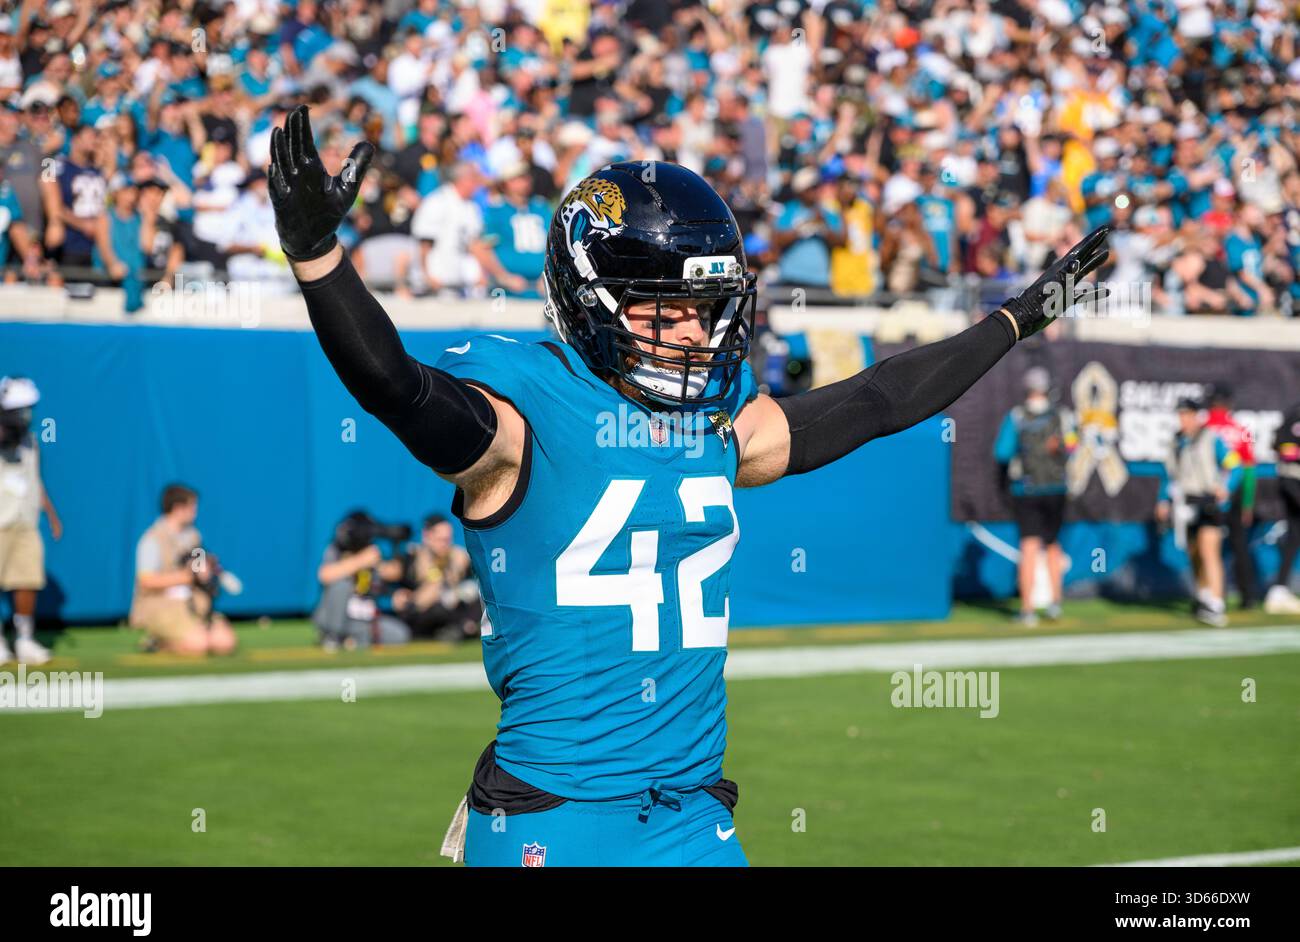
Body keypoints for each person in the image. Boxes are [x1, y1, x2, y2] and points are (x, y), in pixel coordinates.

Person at [268, 106, 1109, 866]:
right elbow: (399, 390)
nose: (690, 332)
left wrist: (1014, 319)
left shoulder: (714, 424)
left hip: (694, 817)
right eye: (657, 308)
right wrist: (317, 256)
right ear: (587, 301)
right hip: (556, 821)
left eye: (701, 308)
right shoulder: (530, 410)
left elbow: (878, 400)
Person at [994, 367, 1076, 625]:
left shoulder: (1017, 416)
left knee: (1029, 546)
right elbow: (1073, 447)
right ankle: (1055, 604)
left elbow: (1003, 453)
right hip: (1055, 488)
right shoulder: (1061, 415)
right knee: (1052, 544)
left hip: (1026, 489)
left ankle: (1028, 609)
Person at [1156, 398, 1242, 628]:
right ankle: (1203, 595)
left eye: (1187, 415)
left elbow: (1235, 465)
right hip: (1186, 501)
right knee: (1194, 551)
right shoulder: (1176, 442)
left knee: (1208, 549)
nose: (1183, 420)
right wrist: (1163, 500)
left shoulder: (1211, 438)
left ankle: (1216, 602)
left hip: (1208, 501)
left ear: (1196, 415)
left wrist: (1226, 488)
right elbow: (1169, 475)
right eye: (1180, 415)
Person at [130, 484, 238, 656]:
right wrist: (185, 577)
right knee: (198, 645)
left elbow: (198, 570)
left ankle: (186, 636)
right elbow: (146, 582)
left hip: (193, 603)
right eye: (191, 506)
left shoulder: (193, 536)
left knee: (225, 643)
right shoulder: (152, 539)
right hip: (161, 605)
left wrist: (207, 570)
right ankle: (159, 641)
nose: (195, 511)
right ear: (178, 508)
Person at [0, 377, 60, 665]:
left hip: (25, 521)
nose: (27, 415)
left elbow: (33, 479)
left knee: (27, 580)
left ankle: (24, 638)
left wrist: (50, 512)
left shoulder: (31, 441)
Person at [312, 511, 412, 650]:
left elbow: (389, 576)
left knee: (400, 634)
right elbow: (325, 575)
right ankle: (333, 637)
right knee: (341, 585)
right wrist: (360, 561)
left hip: (363, 619)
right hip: (337, 616)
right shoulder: (336, 549)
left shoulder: (373, 553)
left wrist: (384, 568)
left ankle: (351, 641)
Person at [1204, 384, 1260, 610]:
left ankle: (1212, 596)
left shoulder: (1205, 428)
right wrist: (1247, 503)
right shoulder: (1240, 429)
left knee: (1208, 546)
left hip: (1211, 491)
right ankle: (1247, 597)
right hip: (1235, 492)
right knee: (1239, 545)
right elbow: (1249, 470)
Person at [391, 514, 481, 641]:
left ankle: (465, 628)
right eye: (441, 540)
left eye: (448, 539)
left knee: (473, 592)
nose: (445, 544)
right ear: (426, 536)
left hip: (453, 613)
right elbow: (398, 592)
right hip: (422, 615)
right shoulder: (412, 558)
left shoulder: (458, 557)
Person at [1265, 399, 1300, 614]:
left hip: (1290, 480)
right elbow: (1283, 447)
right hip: (1293, 479)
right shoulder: (1296, 415)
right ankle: (1278, 590)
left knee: (1295, 535)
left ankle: (1279, 588)